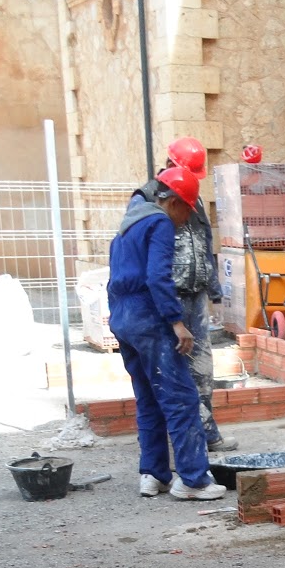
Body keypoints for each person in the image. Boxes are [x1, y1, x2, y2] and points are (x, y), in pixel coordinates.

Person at [108, 164, 227, 501]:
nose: (185, 221)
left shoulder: (129, 224)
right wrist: (176, 322)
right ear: (174, 203)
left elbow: (118, 276)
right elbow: (159, 277)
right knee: (181, 398)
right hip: (148, 316)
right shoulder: (159, 223)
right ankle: (192, 480)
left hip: (122, 316)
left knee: (148, 399)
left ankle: (154, 474)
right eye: (186, 213)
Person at [127, 137, 235, 453]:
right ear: (171, 164)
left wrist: (214, 290)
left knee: (202, 371)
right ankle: (180, 438)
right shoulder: (146, 199)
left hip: (196, 296)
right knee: (173, 372)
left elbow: (205, 240)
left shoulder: (193, 197)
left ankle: (206, 433)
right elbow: (139, 250)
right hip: (166, 300)